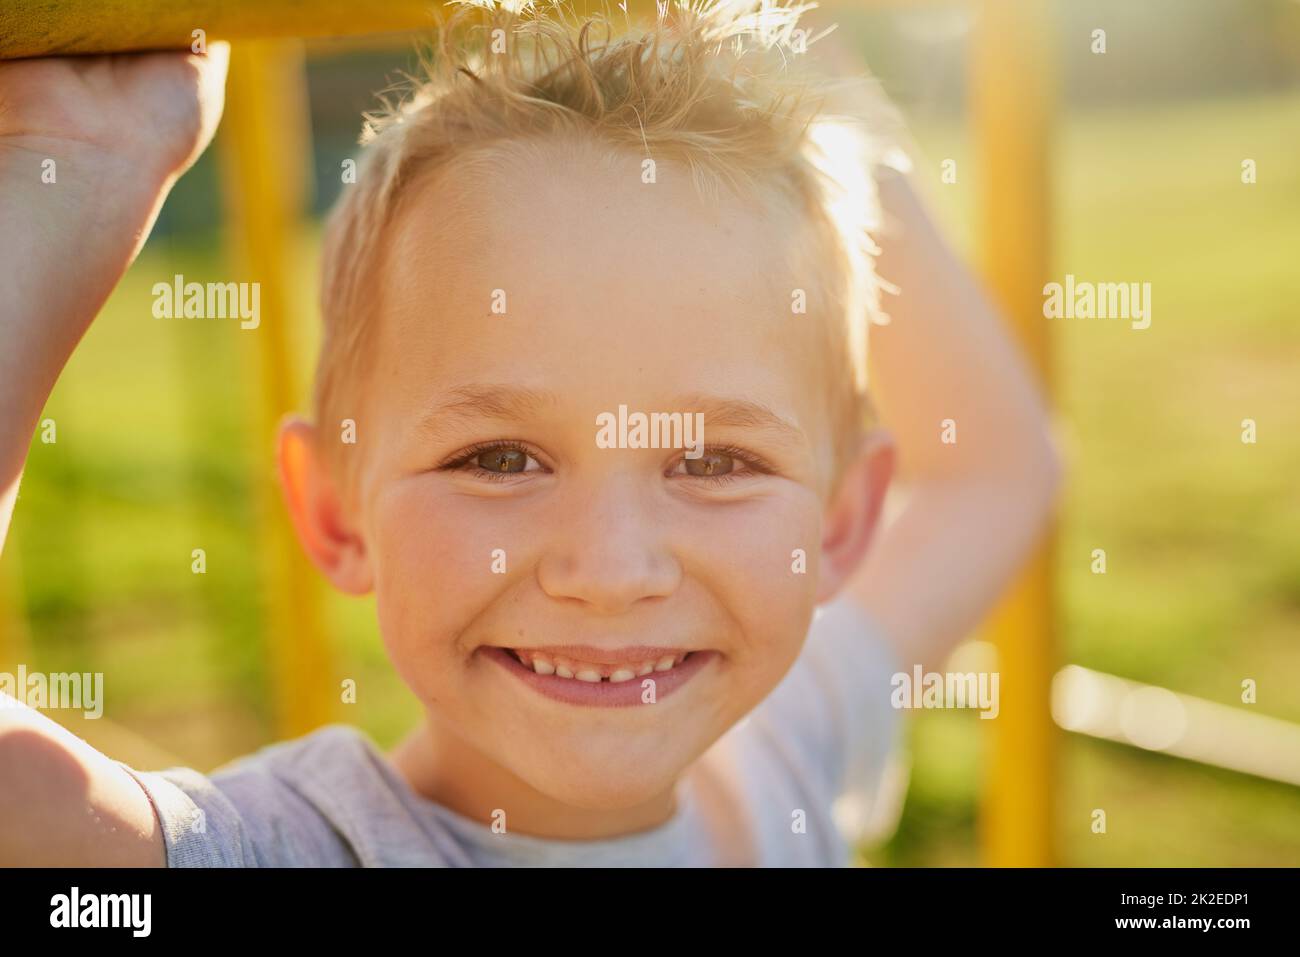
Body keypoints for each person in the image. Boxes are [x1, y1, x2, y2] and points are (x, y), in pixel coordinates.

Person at [0, 0, 1059, 866]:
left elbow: (996, 466)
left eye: (714, 461)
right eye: (498, 458)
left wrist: (789, 30)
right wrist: (73, 168)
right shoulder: (296, 851)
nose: (609, 571)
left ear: (838, 522)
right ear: (332, 506)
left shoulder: (777, 762)